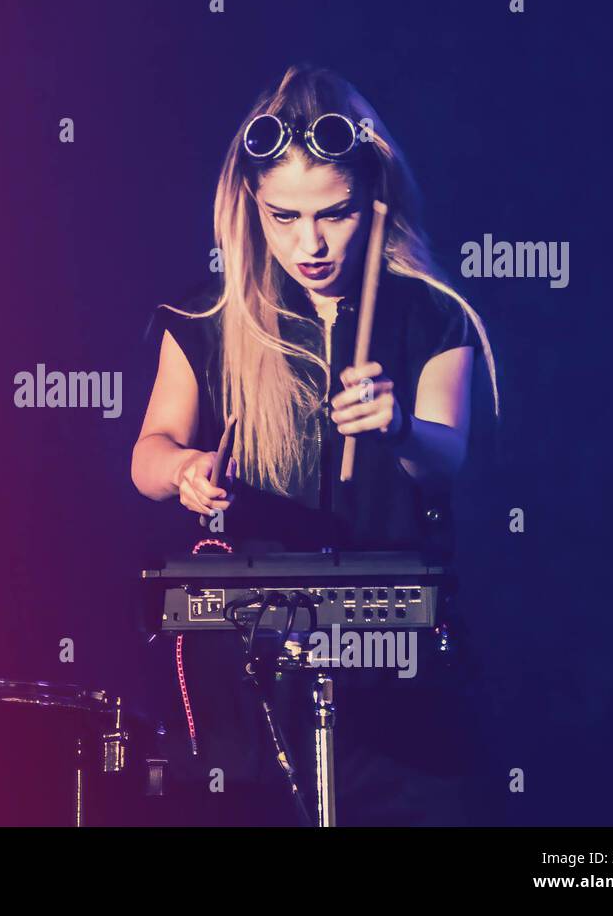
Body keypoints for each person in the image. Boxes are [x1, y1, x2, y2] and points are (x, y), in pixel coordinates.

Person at [131, 64, 500, 825]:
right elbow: (148, 453)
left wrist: (399, 427)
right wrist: (185, 469)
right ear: (249, 206)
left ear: (374, 198)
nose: (310, 243)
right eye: (284, 217)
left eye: (334, 214)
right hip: (252, 665)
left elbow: (446, 455)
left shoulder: (433, 315)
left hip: (399, 675)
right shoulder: (207, 317)